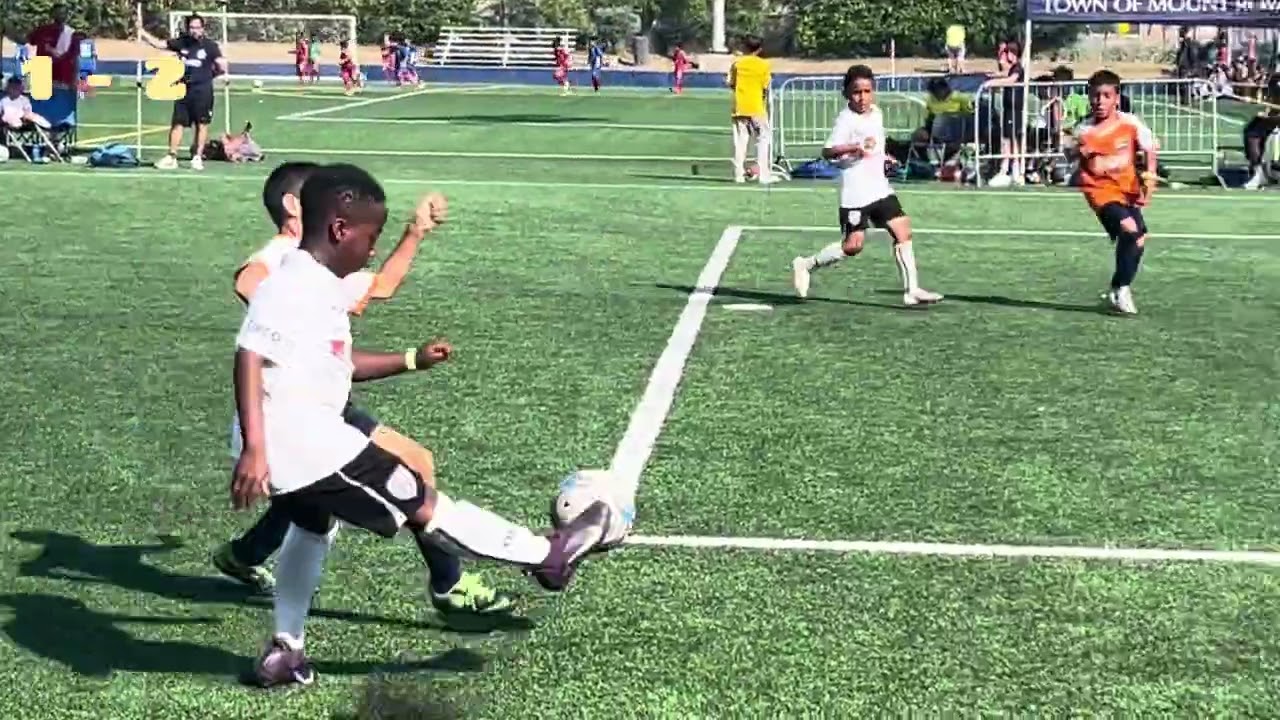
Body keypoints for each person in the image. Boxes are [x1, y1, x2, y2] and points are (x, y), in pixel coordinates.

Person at [234, 164, 609, 687]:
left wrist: (411, 359)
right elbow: (249, 354)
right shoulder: (290, 285)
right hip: (304, 444)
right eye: (371, 237)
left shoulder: (322, 284)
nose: (372, 250)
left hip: (297, 440)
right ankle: (546, 556)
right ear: (340, 229)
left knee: (311, 527)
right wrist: (256, 448)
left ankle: (285, 649)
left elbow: (340, 362)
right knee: (423, 503)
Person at [215, 162, 518, 617]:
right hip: (292, 408)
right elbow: (247, 280)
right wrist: (276, 310)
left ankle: (247, 554)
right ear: (295, 204)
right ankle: (449, 584)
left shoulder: (323, 259)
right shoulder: (286, 256)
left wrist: (416, 232)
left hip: (323, 401)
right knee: (411, 464)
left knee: (307, 495)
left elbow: (383, 285)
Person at [790, 65, 944, 307]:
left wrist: (886, 159)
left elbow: (876, 147)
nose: (862, 97)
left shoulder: (876, 113)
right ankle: (807, 264)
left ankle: (912, 290)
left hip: (879, 187)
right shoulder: (845, 120)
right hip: (856, 192)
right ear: (846, 93)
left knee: (902, 229)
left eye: (867, 91)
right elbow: (828, 151)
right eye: (856, 92)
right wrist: (853, 147)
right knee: (853, 246)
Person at [1064, 70, 1159, 315]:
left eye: (1106, 95)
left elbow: (1150, 148)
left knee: (1138, 239)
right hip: (1099, 190)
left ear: (1117, 98)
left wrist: (1149, 178)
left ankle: (1118, 287)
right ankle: (1122, 291)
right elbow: (1069, 152)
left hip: (1128, 188)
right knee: (1130, 228)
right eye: (1095, 95)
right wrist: (1076, 150)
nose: (1100, 101)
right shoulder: (1084, 129)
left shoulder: (1130, 123)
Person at [143, 13, 228, 171]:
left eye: (198, 27)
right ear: (187, 28)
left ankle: (197, 157)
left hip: (202, 90)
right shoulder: (182, 42)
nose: (195, 30)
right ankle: (171, 157)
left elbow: (222, 66)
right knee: (178, 123)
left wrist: (210, 75)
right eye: (192, 27)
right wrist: (143, 33)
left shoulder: (210, 46)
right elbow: (159, 44)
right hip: (183, 89)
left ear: (203, 28)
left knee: (202, 124)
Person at [728, 36, 776, 184]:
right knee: (763, 139)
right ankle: (763, 174)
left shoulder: (737, 63)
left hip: (740, 106)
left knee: (740, 141)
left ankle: (738, 174)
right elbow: (765, 86)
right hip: (756, 106)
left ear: (745, 47)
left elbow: (731, 83)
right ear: (759, 49)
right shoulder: (764, 65)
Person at [27, 4, 82, 91]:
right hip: (42, 76)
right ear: (52, 14)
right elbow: (29, 41)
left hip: (63, 77)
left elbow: (75, 58)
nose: (60, 16)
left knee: (61, 99)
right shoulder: (42, 30)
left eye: (63, 13)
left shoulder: (71, 34)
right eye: (57, 13)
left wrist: (74, 80)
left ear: (67, 15)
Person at [1243, 72, 1280, 190]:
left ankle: (1262, 172)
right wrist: (1267, 114)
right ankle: (1258, 172)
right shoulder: (1275, 79)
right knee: (1253, 131)